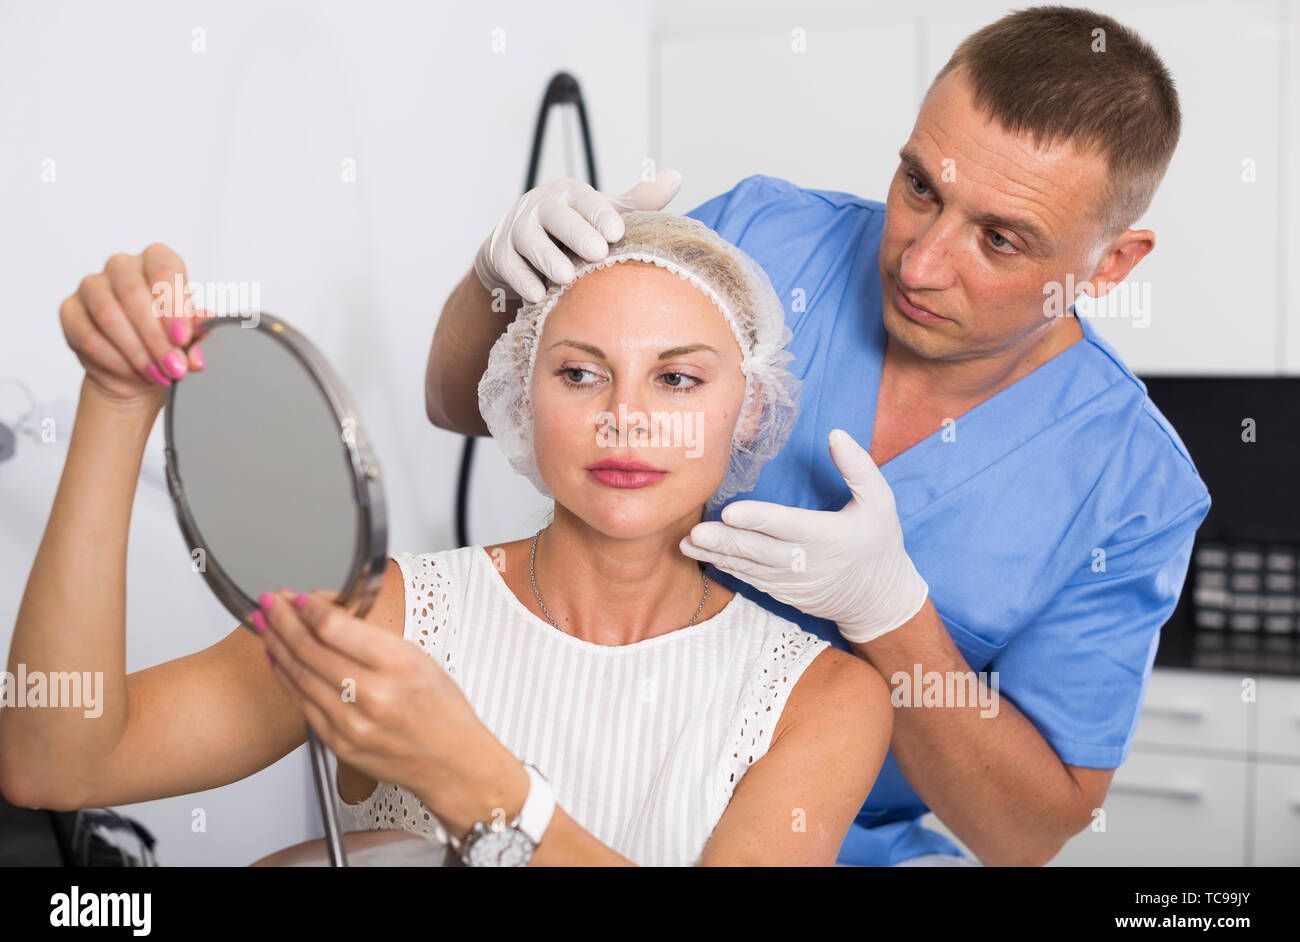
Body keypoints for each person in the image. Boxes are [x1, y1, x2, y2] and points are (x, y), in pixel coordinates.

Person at [425, 6, 1212, 866]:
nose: (918, 264)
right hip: (580, 787)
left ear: (1111, 265)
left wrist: (891, 616)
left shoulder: (1132, 487)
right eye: (920, 187)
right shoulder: (766, 240)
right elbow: (465, 403)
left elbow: (1023, 833)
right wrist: (497, 276)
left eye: (998, 240)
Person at [0, 213, 893, 867]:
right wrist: (116, 406)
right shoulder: (383, 615)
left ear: (752, 410)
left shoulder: (822, 700)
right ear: (516, 394)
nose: (627, 421)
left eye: (678, 380)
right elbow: (56, 763)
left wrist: (478, 785)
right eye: (580, 373)